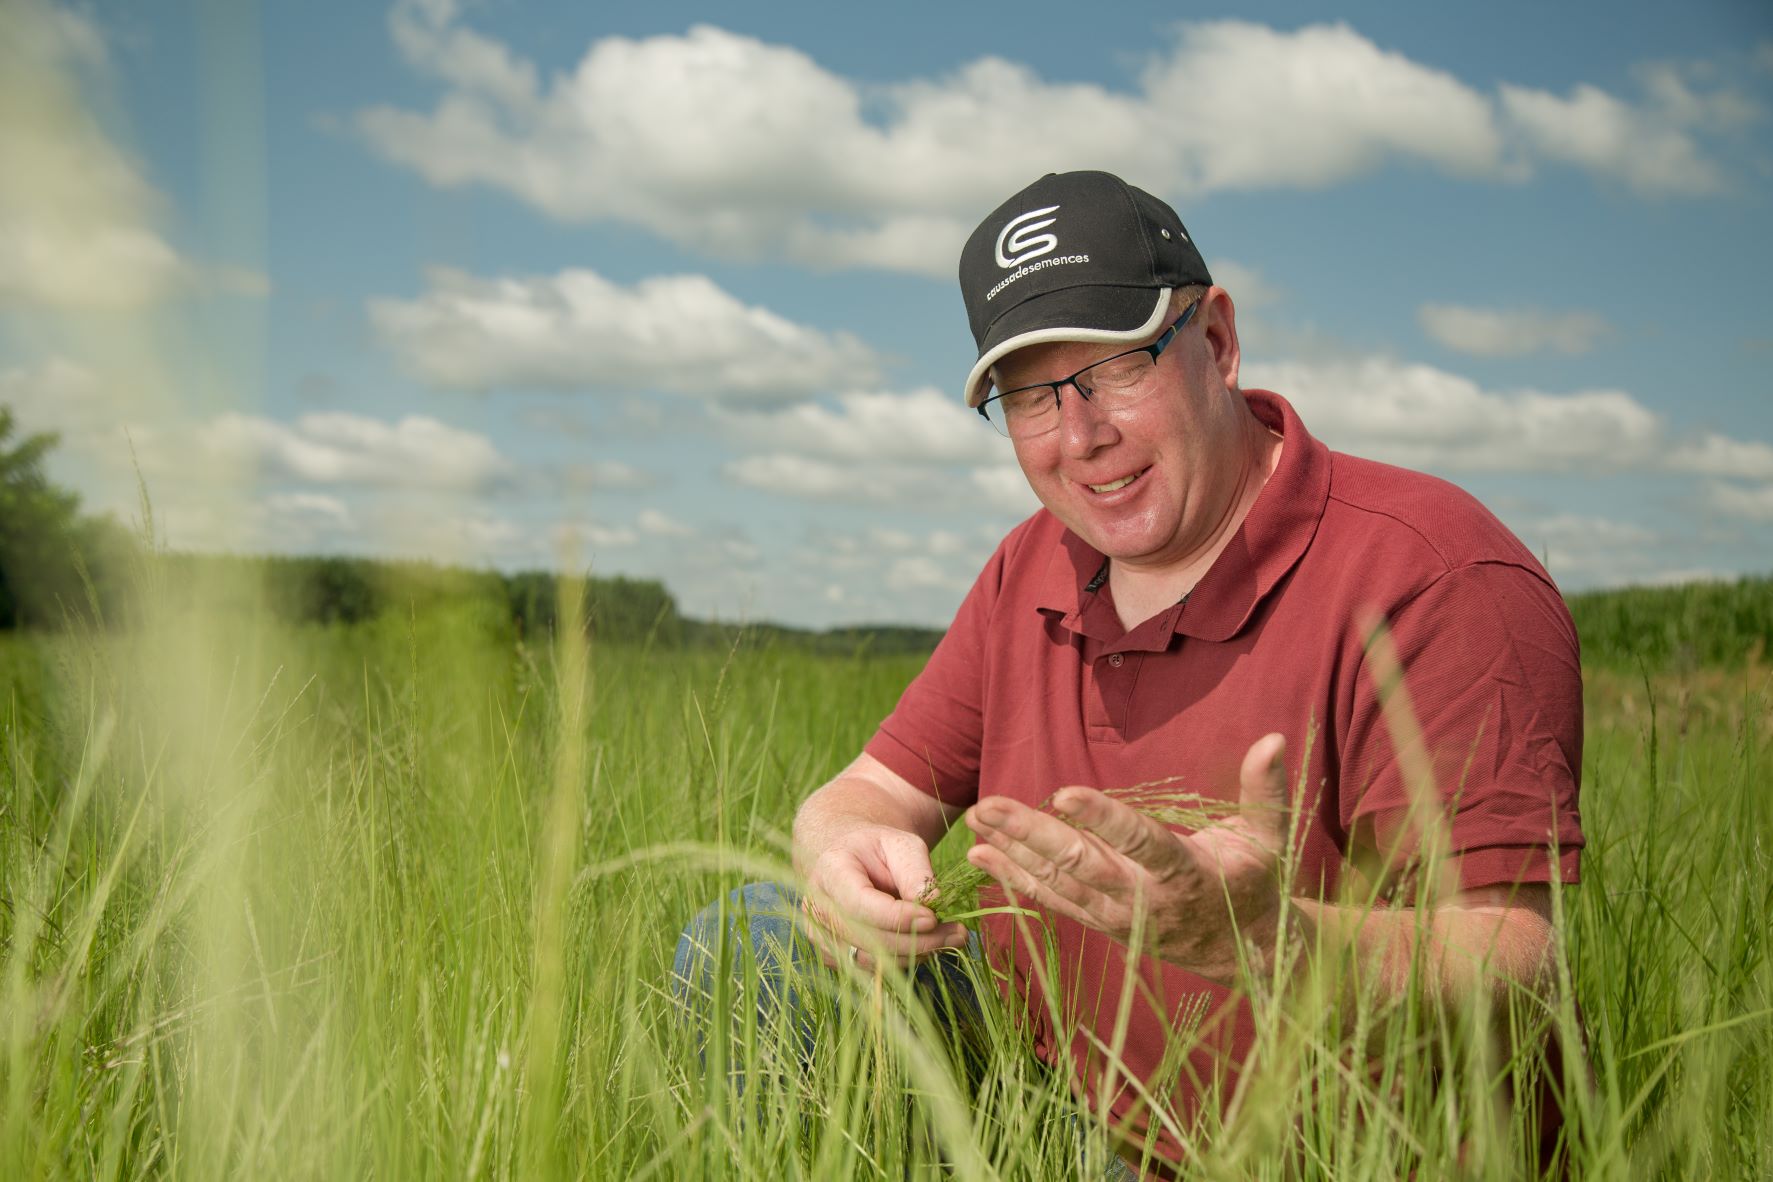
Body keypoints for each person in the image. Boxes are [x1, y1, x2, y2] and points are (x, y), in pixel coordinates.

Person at [683, 170, 1584, 1176]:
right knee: (751, 939)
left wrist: (1268, 942)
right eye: (1030, 397)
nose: (1081, 437)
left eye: (1115, 368)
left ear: (1218, 341)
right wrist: (840, 857)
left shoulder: (1433, 575)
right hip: (1060, 1103)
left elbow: (1518, 959)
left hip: (1315, 1152)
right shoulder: (1031, 563)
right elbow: (866, 793)